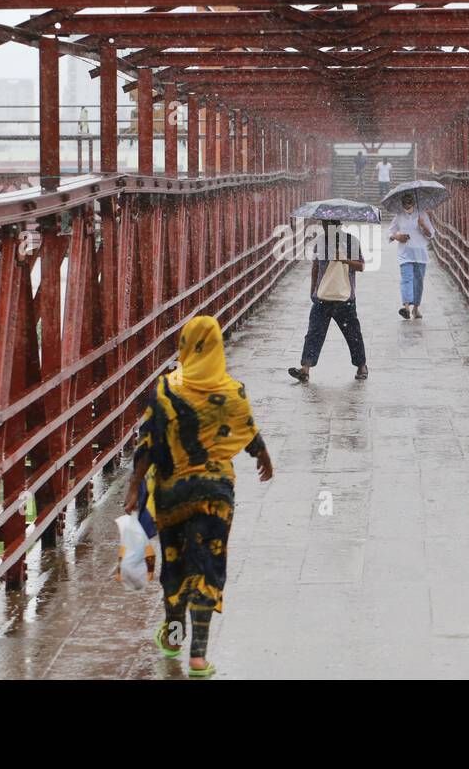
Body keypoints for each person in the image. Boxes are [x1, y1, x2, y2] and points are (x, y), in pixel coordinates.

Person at [124, 314, 274, 678]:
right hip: (216, 495)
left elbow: (147, 441)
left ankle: (174, 636)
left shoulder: (165, 390)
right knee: (208, 565)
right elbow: (248, 431)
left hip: (172, 495)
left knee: (175, 567)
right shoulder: (232, 391)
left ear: (186, 347)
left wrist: (133, 487)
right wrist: (263, 457)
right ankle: (198, 658)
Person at [288, 220, 369, 382]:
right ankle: (305, 369)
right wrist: (313, 290)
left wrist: (344, 260)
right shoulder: (320, 242)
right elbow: (316, 267)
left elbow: (361, 266)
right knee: (314, 333)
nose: (325, 227)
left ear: (337, 225)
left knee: (352, 334)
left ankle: (361, 365)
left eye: (328, 224)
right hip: (322, 297)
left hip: (345, 298)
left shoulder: (351, 241)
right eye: (324, 225)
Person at [388, 192, 435, 319]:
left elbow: (431, 234)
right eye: (405, 205)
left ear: (414, 204)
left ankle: (416, 308)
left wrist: (423, 225)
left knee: (418, 282)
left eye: (409, 205)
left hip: (420, 254)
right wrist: (397, 237)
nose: (407, 208)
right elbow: (390, 232)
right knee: (406, 279)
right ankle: (406, 308)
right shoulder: (399, 216)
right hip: (405, 253)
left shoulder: (422, 214)